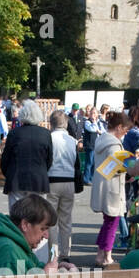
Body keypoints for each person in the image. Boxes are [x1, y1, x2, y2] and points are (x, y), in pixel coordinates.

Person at [90, 111, 129, 267]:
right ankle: (107, 256)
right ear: (119, 127)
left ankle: (100, 254)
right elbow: (113, 167)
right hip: (113, 189)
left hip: (102, 186)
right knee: (112, 223)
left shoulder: (101, 139)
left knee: (108, 222)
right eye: (125, 130)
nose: (124, 133)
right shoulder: (114, 144)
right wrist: (129, 167)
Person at [1, 99, 53, 212]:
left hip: (16, 179)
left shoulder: (14, 133)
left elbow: (5, 159)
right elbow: (49, 160)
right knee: (37, 216)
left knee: (17, 216)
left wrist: (8, 173)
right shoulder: (46, 134)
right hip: (39, 179)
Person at [47, 109, 79, 261]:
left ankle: (53, 253)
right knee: (66, 220)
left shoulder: (49, 138)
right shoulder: (72, 141)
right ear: (66, 124)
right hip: (69, 180)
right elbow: (76, 163)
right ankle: (66, 253)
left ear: (51, 123)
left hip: (52, 180)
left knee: (51, 220)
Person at [81, 106, 101, 184]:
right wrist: (94, 122)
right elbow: (92, 129)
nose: (92, 114)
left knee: (94, 163)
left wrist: (97, 127)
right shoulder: (87, 122)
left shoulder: (98, 122)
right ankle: (86, 179)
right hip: (90, 145)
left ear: (97, 114)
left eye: (94, 113)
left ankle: (92, 178)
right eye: (91, 113)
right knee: (89, 163)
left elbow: (102, 131)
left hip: (96, 145)